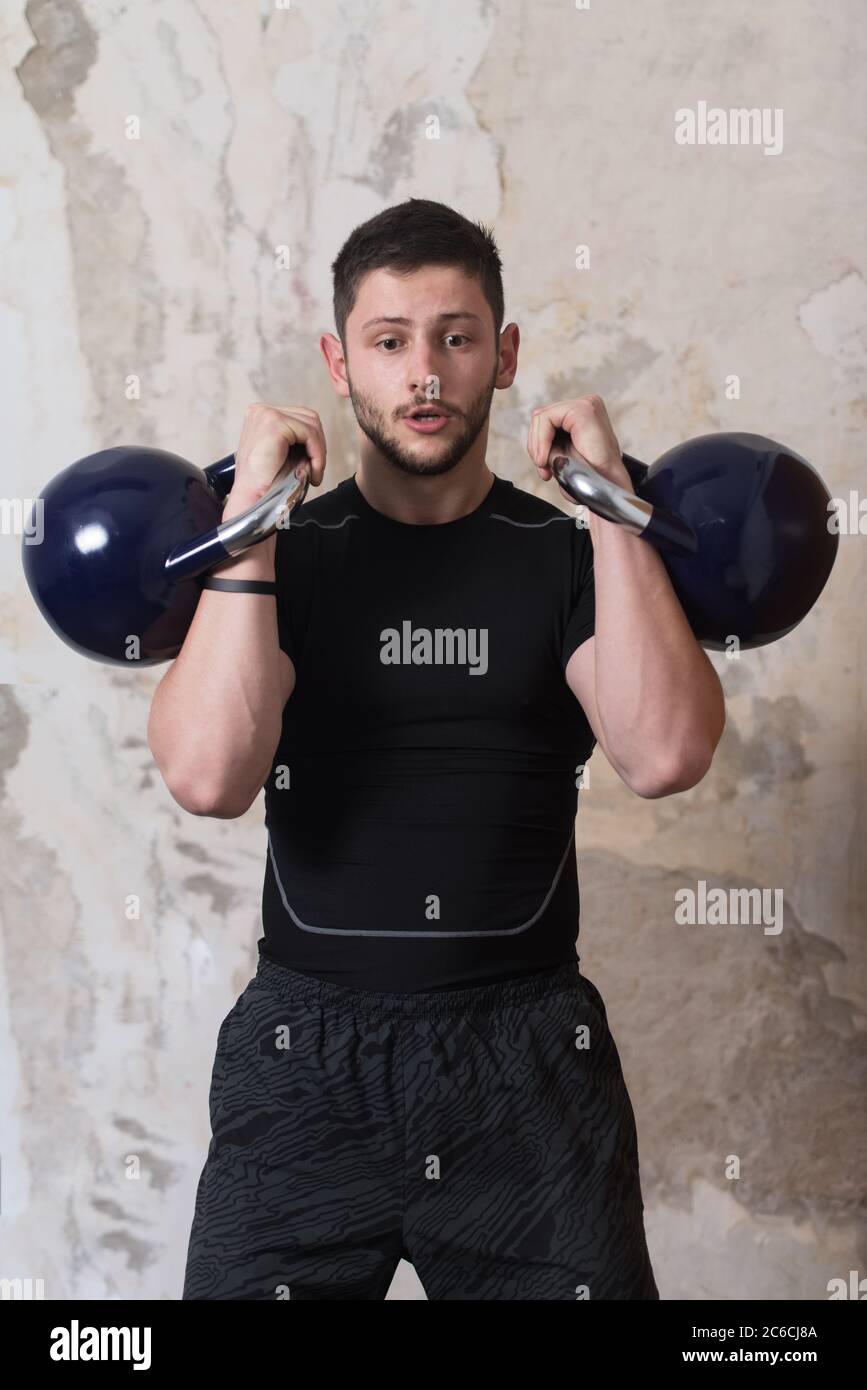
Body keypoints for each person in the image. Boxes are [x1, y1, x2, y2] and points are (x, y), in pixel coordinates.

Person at [149, 198, 725, 1300]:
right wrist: (251, 519)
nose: (426, 371)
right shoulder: (284, 559)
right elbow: (208, 776)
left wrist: (611, 505)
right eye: (390, 340)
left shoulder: (563, 557)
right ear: (339, 361)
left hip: (528, 1062)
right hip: (302, 1060)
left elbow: (664, 754)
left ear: (504, 357)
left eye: (458, 338)